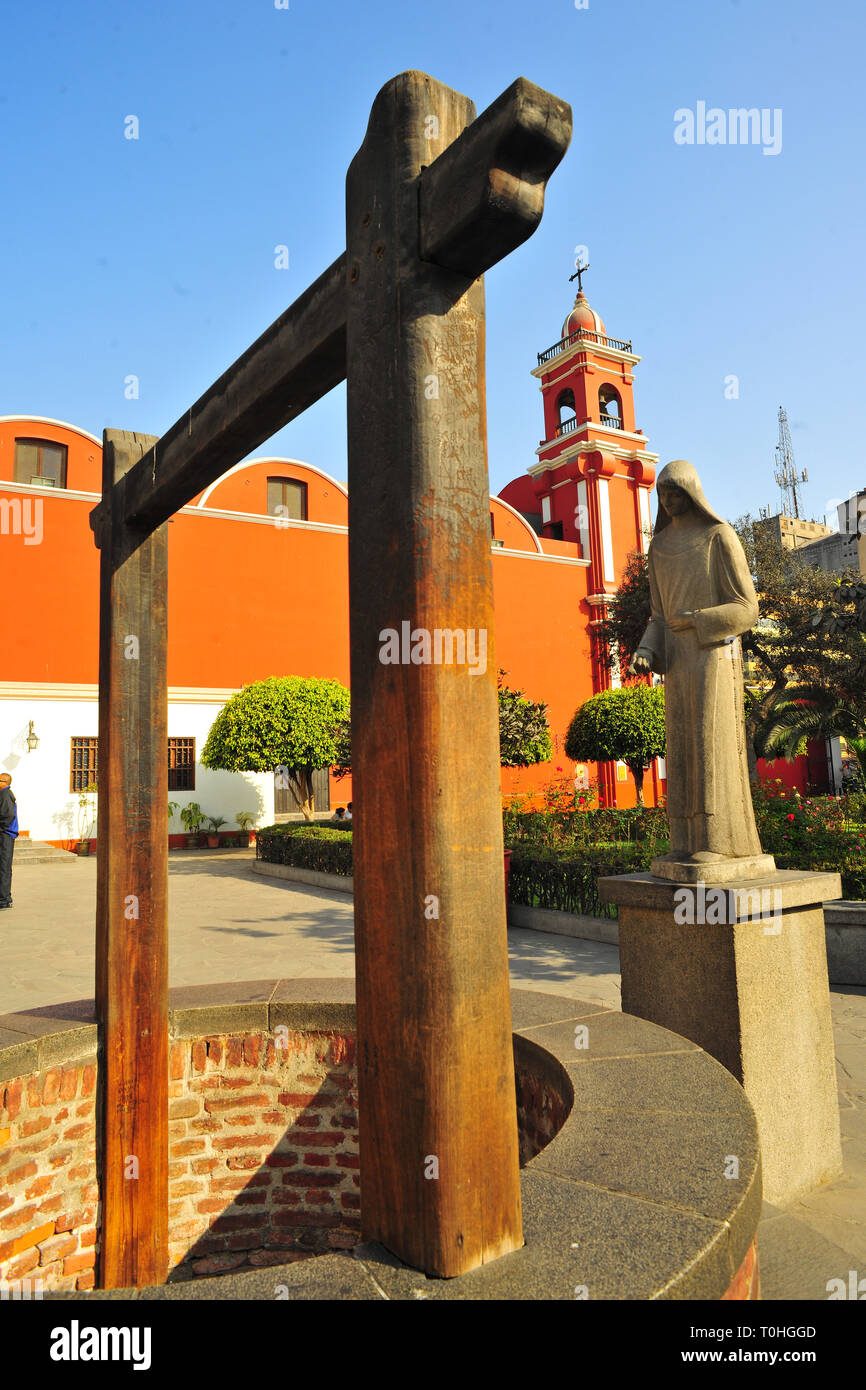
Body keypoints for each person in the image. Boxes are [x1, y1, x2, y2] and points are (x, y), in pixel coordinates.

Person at [629, 459, 764, 864]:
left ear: (691, 493)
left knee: (710, 742)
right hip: (676, 661)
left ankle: (718, 842)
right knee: (682, 743)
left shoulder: (718, 537)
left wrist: (699, 620)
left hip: (712, 655)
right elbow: (657, 614)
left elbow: (747, 608)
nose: (668, 501)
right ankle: (685, 841)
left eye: (675, 493)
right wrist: (646, 650)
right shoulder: (659, 547)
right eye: (663, 495)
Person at [0, 772, 19, 908]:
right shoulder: (5, 794)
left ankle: (3, 899)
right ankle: (5, 897)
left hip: (5, 834)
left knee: (3, 867)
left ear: (5, 782)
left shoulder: (5, 794)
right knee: (3, 866)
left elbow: (8, 815)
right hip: (5, 834)